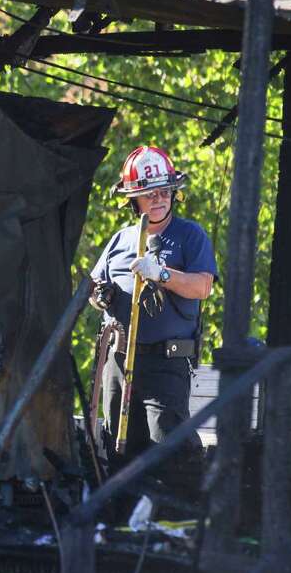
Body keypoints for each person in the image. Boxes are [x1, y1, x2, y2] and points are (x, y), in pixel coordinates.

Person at [89, 146, 217, 459]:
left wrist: (161, 274)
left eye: (164, 192)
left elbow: (203, 286)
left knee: (166, 451)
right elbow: (93, 289)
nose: (159, 199)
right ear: (133, 199)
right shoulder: (120, 240)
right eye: (149, 194)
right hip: (118, 363)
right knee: (117, 452)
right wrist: (100, 297)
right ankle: (122, 509)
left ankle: (168, 509)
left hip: (166, 364)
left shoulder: (190, 236)